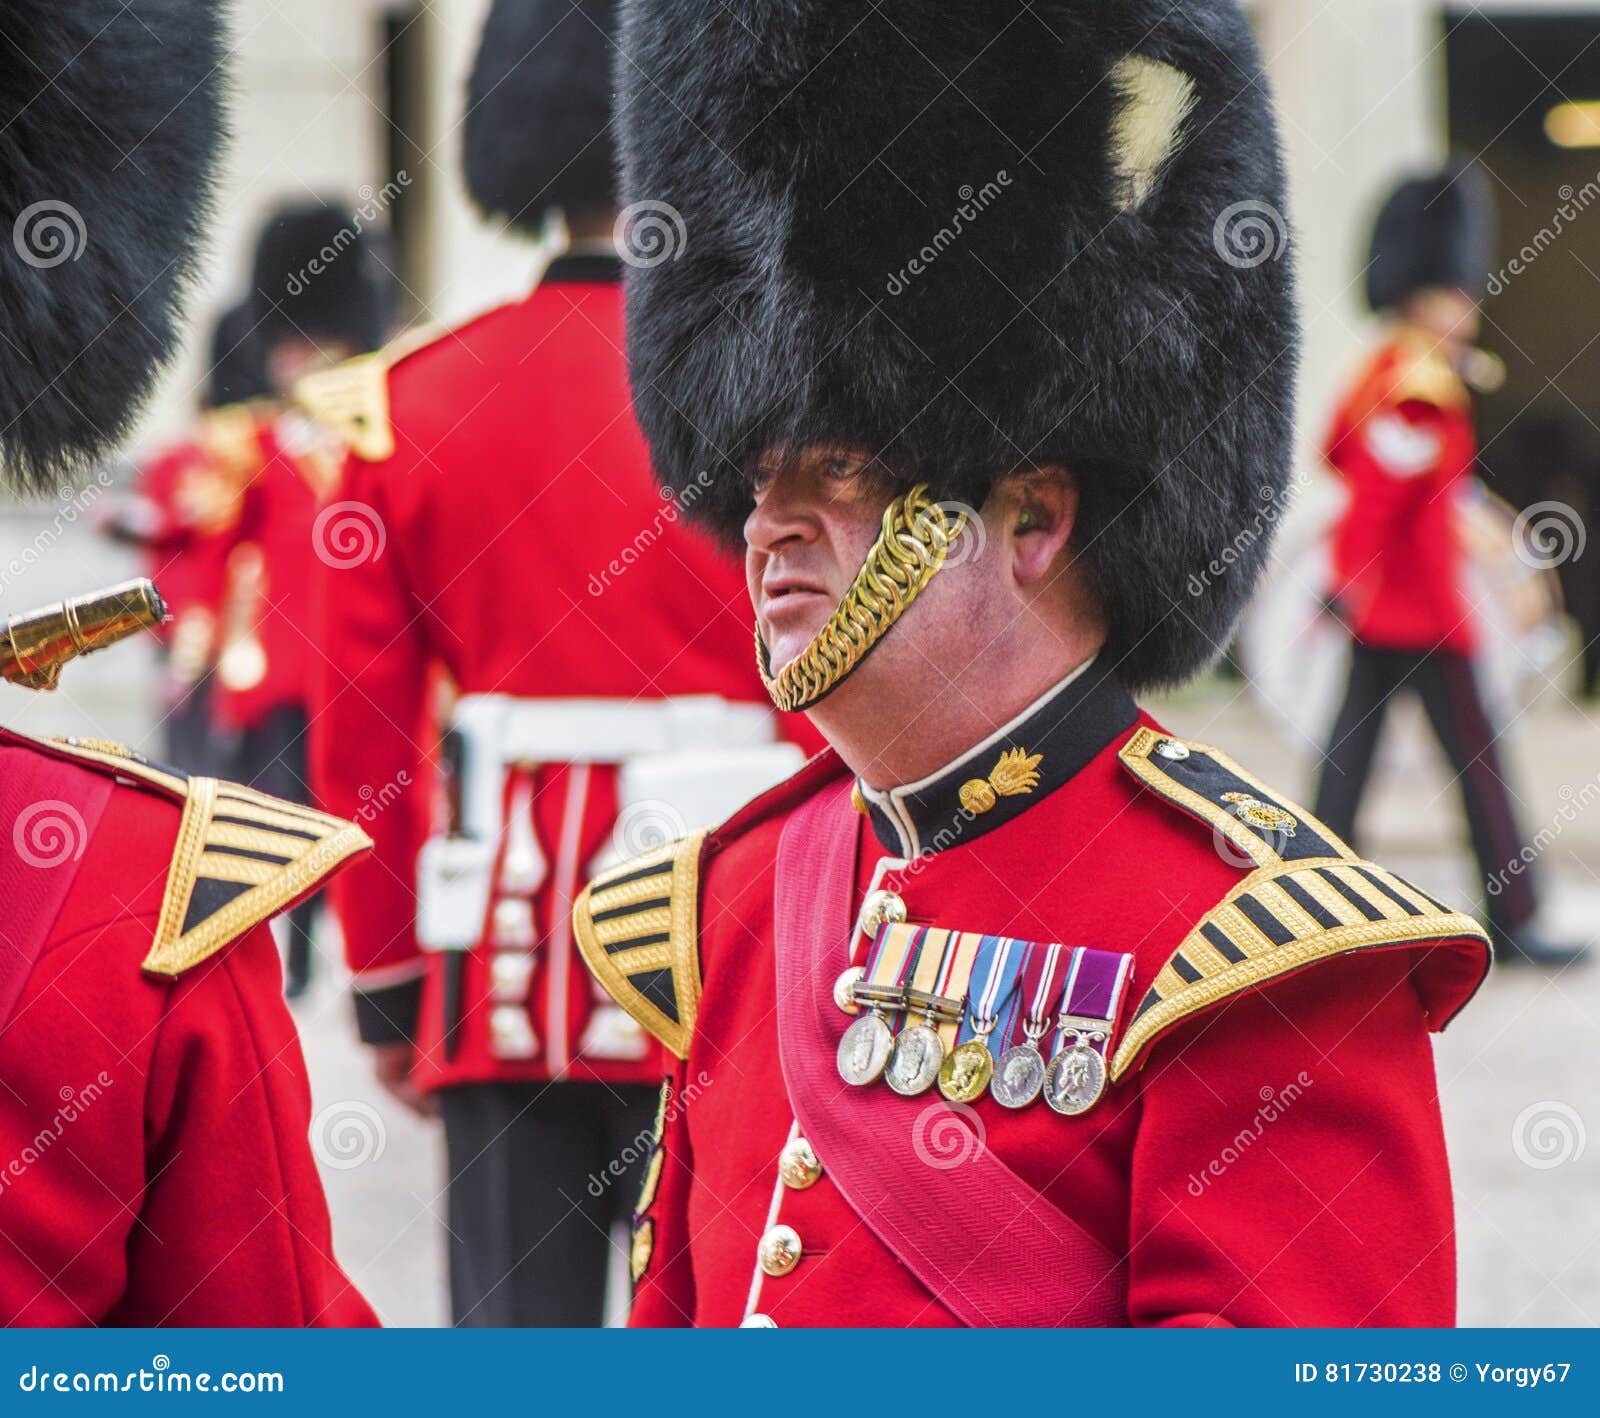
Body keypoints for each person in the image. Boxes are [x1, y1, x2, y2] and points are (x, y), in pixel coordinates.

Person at [574, 0, 1492, 1328]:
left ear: (1035, 519)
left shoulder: (1262, 957)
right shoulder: (744, 897)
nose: (767, 520)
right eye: (758, 477)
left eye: (838, 469)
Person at [301, 0, 810, 1327]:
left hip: (504, 955)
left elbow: (359, 730)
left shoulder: (409, 403)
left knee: (512, 1346)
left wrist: (391, 981)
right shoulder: (780, 393)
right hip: (738, 931)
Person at [0, 0, 375, 1325]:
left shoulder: (298, 447)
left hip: (270, 662)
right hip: (237, 658)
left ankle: (325, 948)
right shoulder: (130, 895)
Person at [1312, 167, 1589, 967]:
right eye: (1458, 294)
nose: (1470, 308)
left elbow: (1336, 452)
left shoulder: (1387, 369)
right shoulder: (1419, 384)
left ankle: (1314, 907)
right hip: (1422, 612)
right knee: (1476, 768)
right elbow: (1377, 496)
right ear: (1427, 292)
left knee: (1348, 768)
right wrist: (1357, 577)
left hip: (1389, 608)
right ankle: (1516, 916)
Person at [205, 204, 395, 998]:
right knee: (279, 811)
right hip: (283, 662)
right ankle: (290, 959)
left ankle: (345, 949)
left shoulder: (375, 438)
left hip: (355, 655)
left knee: (348, 805)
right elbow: (219, 540)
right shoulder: (255, 444)